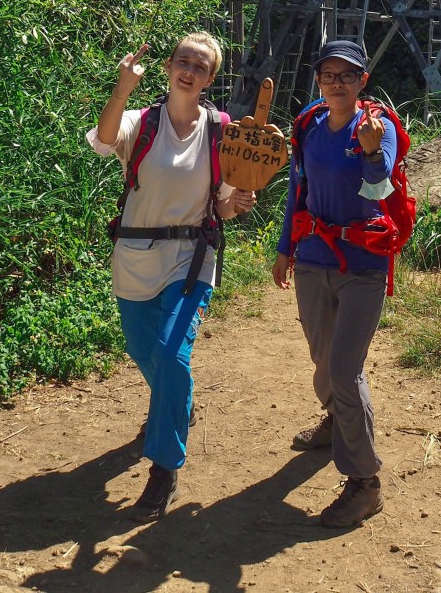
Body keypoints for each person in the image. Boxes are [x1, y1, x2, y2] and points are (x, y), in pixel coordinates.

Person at [88, 32, 256, 522]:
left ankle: (164, 468)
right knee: (144, 352)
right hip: (134, 256)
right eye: (183, 60)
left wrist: (236, 204)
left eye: (200, 66)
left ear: (210, 79)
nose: (189, 70)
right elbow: (102, 142)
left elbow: (221, 204)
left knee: (170, 352)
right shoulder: (140, 123)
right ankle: (176, 405)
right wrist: (122, 89)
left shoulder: (222, 131)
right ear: (168, 66)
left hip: (191, 260)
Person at [272, 39, 397, 528]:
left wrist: (370, 154)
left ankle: (365, 483)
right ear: (319, 80)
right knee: (323, 361)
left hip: (363, 265)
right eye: (329, 75)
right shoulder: (310, 126)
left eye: (347, 75)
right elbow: (297, 192)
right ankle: (335, 420)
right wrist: (284, 248)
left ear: (362, 81)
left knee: (345, 370)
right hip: (314, 258)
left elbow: (382, 187)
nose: (337, 83)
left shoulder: (376, 127)